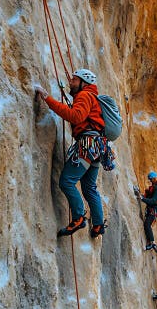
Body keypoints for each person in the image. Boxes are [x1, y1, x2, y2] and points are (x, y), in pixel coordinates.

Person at [35, 69, 111, 238]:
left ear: (84, 83)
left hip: (87, 145)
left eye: (74, 80)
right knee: (89, 187)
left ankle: (78, 218)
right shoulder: (90, 97)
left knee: (67, 181)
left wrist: (48, 98)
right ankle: (98, 225)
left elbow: (76, 116)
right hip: (97, 148)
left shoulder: (85, 96)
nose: (71, 83)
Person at [135, 171, 157, 251]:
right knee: (147, 223)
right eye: (151, 179)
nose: (151, 180)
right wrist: (141, 196)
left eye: (152, 179)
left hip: (156, 208)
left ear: (154, 178)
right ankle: (151, 242)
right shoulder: (156, 187)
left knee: (147, 223)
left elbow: (153, 200)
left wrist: (142, 198)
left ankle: (152, 243)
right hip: (155, 207)